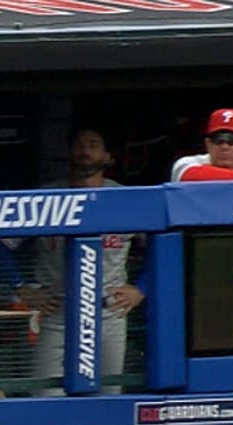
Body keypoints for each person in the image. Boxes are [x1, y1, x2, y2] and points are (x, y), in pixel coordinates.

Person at [16, 127, 141, 395]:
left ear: (107, 156)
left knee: (109, 399)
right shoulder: (44, 199)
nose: (85, 151)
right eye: (80, 145)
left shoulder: (127, 199)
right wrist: (21, 287)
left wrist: (143, 288)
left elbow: (161, 243)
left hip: (109, 311)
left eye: (93, 144)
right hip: (56, 312)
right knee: (45, 397)